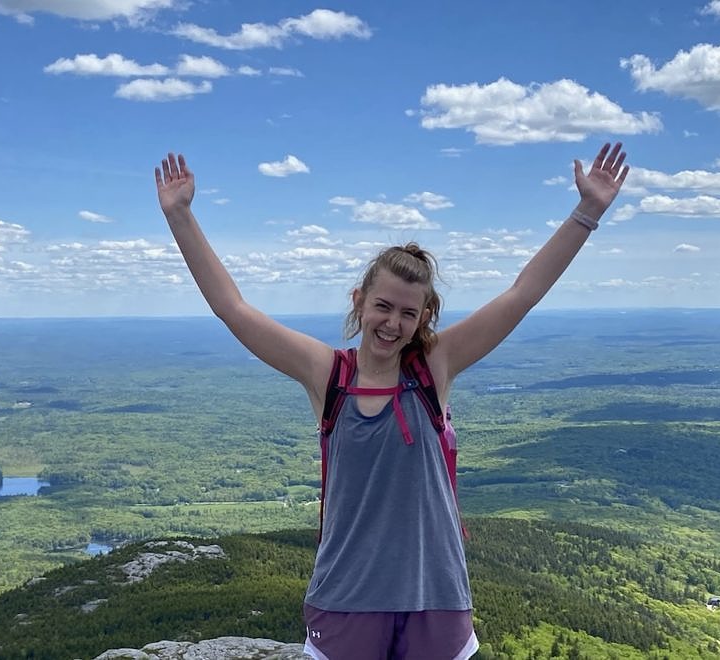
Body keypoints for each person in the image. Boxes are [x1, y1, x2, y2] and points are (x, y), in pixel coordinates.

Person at [155, 143, 629, 660]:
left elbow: (521, 295)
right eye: (382, 306)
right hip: (346, 596)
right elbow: (234, 309)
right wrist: (180, 215)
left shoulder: (434, 369)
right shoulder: (328, 375)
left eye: (408, 313)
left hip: (437, 596)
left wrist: (586, 213)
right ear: (359, 301)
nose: (392, 323)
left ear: (424, 317)